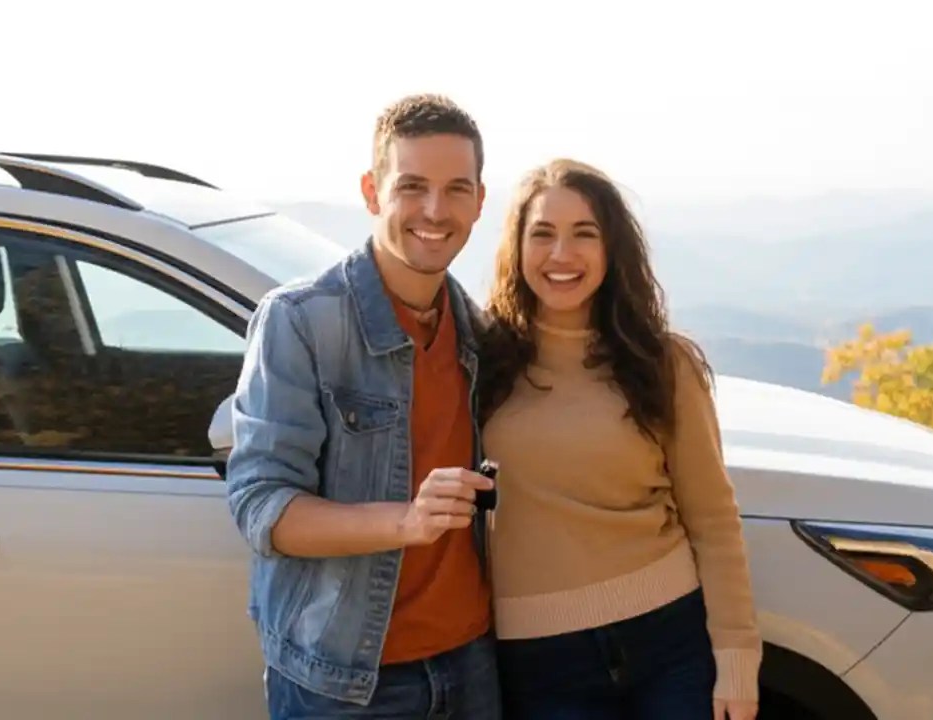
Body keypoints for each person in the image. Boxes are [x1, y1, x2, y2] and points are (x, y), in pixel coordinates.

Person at [225, 93, 501, 719]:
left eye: (457, 188)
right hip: (343, 680)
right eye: (412, 186)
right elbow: (261, 506)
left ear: (480, 201)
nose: (435, 210)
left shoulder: (478, 331)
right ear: (372, 192)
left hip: (472, 661)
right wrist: (404, 521)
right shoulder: (300, 321)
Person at [477, 158, 763, 720]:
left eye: (585, 233)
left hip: (669, 640)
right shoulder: (482, 361)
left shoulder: (662, 363)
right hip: (538, 661)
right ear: (516, 248)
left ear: (612, 250)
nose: (562, 254)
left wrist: (737, 659)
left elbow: (713, 519)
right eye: (543, 234)